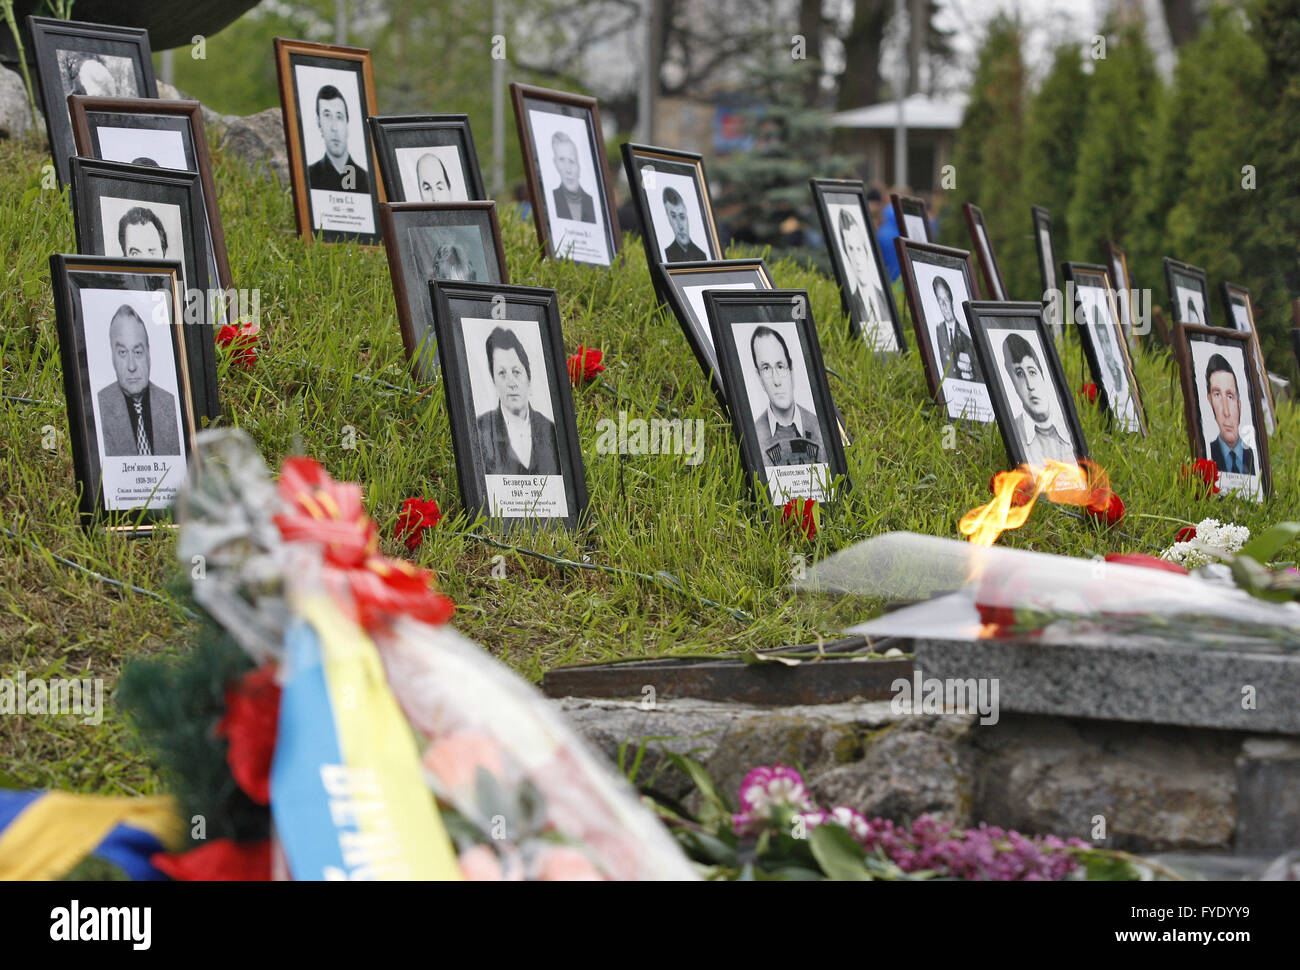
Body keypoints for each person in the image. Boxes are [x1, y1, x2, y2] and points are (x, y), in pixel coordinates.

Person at [96, 304, 180, 457]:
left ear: (149, 354)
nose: (132, 366)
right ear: (112, 357)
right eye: (122, 352)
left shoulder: (173, 405)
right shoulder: (97, 407)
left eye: (138, 352)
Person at [475, 327, 559, 476]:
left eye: (516, 372)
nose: (511, 383)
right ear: (493, 381)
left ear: (529, 378)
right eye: (502, 373)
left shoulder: (551, 430)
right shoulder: (479, 430)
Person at [749, 326, 824, 467]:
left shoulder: (820, 427)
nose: (776, 381)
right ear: (759, 377)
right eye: (766, 368)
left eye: (780, 366)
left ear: (791, 371)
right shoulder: (753, 436)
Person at [1001, 332, 1073, 465]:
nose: (1030, 385)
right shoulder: (1014, 433)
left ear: (1043, 375)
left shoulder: (1068, 426)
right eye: (1020, 374)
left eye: (1032, 372)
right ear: (1012, 382)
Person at [836, 207, 893, 348]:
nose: (857, 258)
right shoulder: (852, 301)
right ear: (845, 253)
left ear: (867, 251)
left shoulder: (883, 299)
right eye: (850, 249)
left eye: (859, 249)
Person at [307, 84, 369, 193]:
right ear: (319, 123)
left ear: (347, 124)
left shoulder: (367, 180)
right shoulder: (308, 176)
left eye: (339, 117)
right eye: (327, 116)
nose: (334, 127)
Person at [1204, 353, 1254, 474]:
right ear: (1210, 401)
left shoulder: (1255, 458)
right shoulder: (1207, 453)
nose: (1226, 412)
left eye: (1230, 396)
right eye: (1217, 395)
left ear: (1239, 405)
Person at [932, 276, 982, 383]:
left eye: (946, 299)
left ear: (952, 301)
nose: (944, 306)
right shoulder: (935, 332)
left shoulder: (967, 336)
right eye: (940, 301)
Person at [549, 131, 595, 223]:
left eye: (572, 161)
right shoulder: (550, 200)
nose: (568, 169)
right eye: (561, 160)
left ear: (579, 164)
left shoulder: (594, 204)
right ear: (555, 163)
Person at [661, 187, 705, 262]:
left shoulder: (703, 256)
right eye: (673, 216)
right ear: (668, 218)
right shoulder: (664, 256)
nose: (680, 226)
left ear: (688, 217)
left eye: (682, 217)